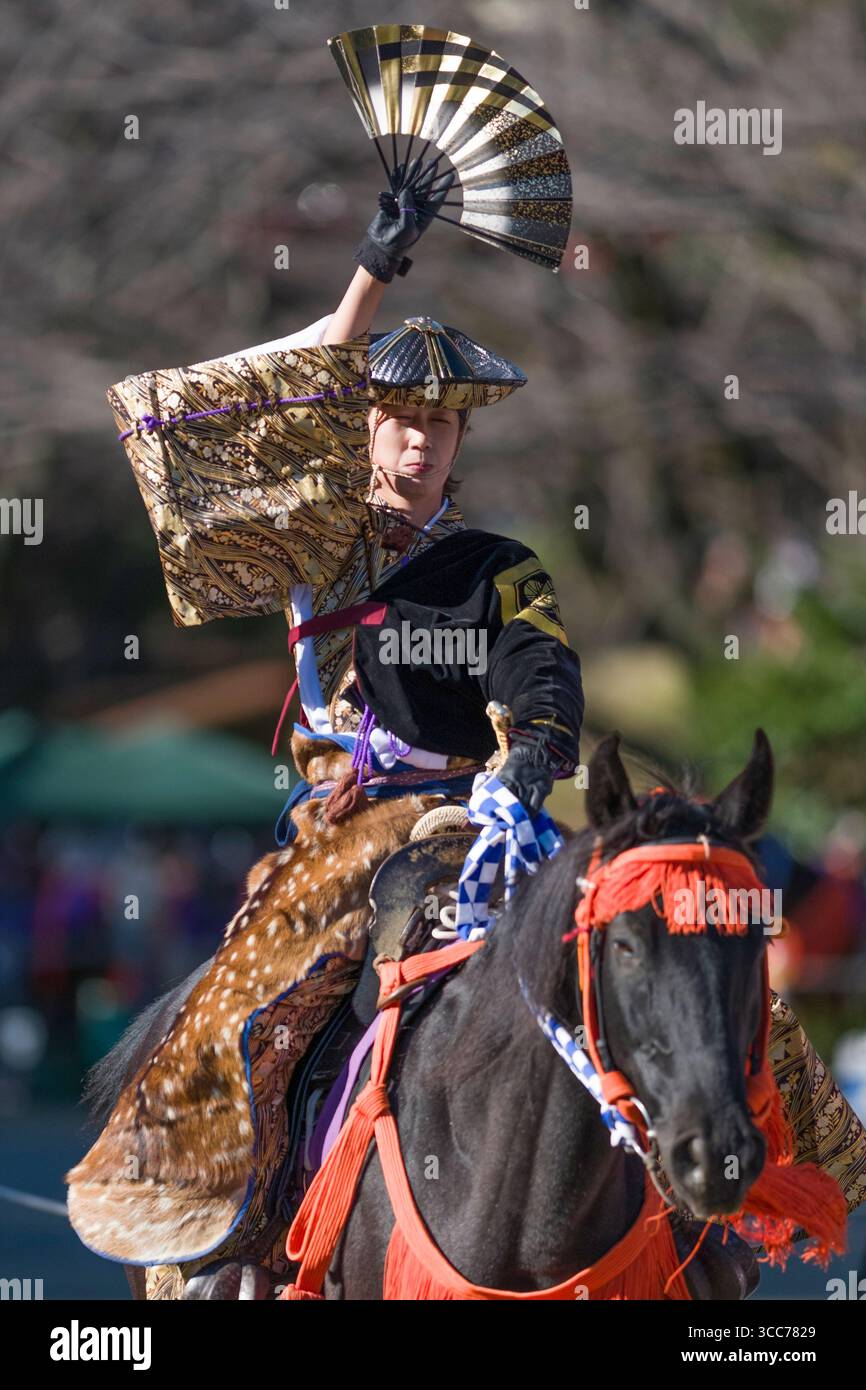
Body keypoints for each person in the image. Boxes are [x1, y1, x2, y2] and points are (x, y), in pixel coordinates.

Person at [66, 157, 587, 1297]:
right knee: (237, 1006)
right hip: (341, 833)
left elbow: (541, 673)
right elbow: (215, 423)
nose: (419, 443)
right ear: (359, 427)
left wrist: (531, 762)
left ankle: (712, 1209)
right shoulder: (310, 541)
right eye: (399, 418)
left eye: (440, 425)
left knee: (633, 951)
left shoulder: (501, 565)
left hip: (477, 819)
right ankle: (221, 1236)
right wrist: (369, 269)